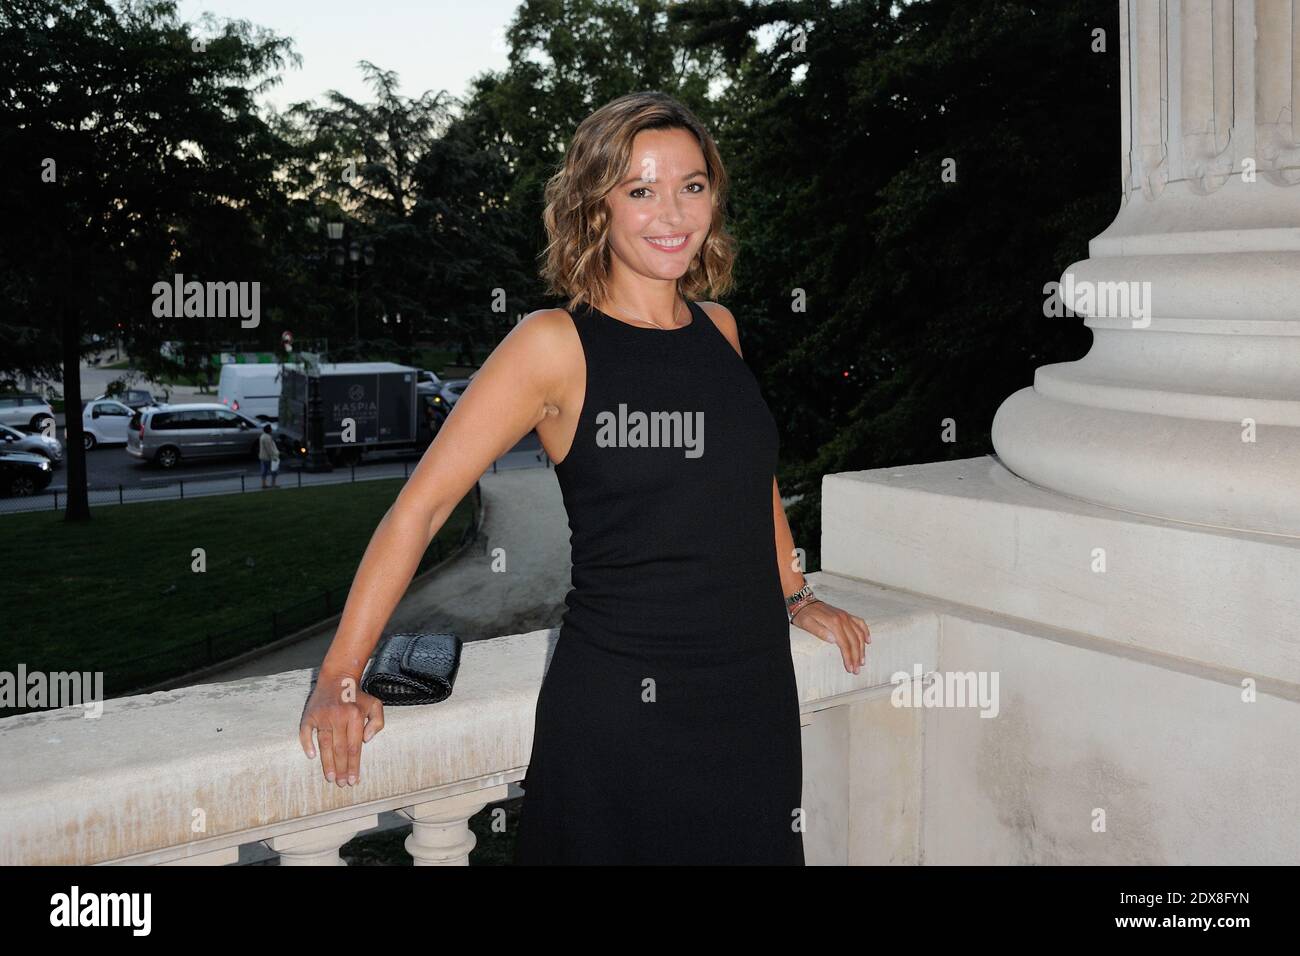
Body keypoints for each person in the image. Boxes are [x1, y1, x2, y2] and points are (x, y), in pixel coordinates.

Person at [297, 90, 870, 865]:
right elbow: (424, 506)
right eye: (640, 190)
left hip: (752, 699)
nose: (672, 212)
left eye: (691, 185)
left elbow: (748, 482)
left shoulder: (720, 329)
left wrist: (793, 591)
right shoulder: (554, 344)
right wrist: (340, 670)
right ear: (594, 207)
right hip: (620, 718)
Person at [258, 423, 279, 488]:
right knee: (274, 470)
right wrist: (274, 456)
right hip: (268, 458)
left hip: (263, 456)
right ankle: (273, 483)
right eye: (271, 429)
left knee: (264, 471)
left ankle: (263, 484)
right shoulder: (267, 438)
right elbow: (269, 449)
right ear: (269, 430)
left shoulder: (262, 436)